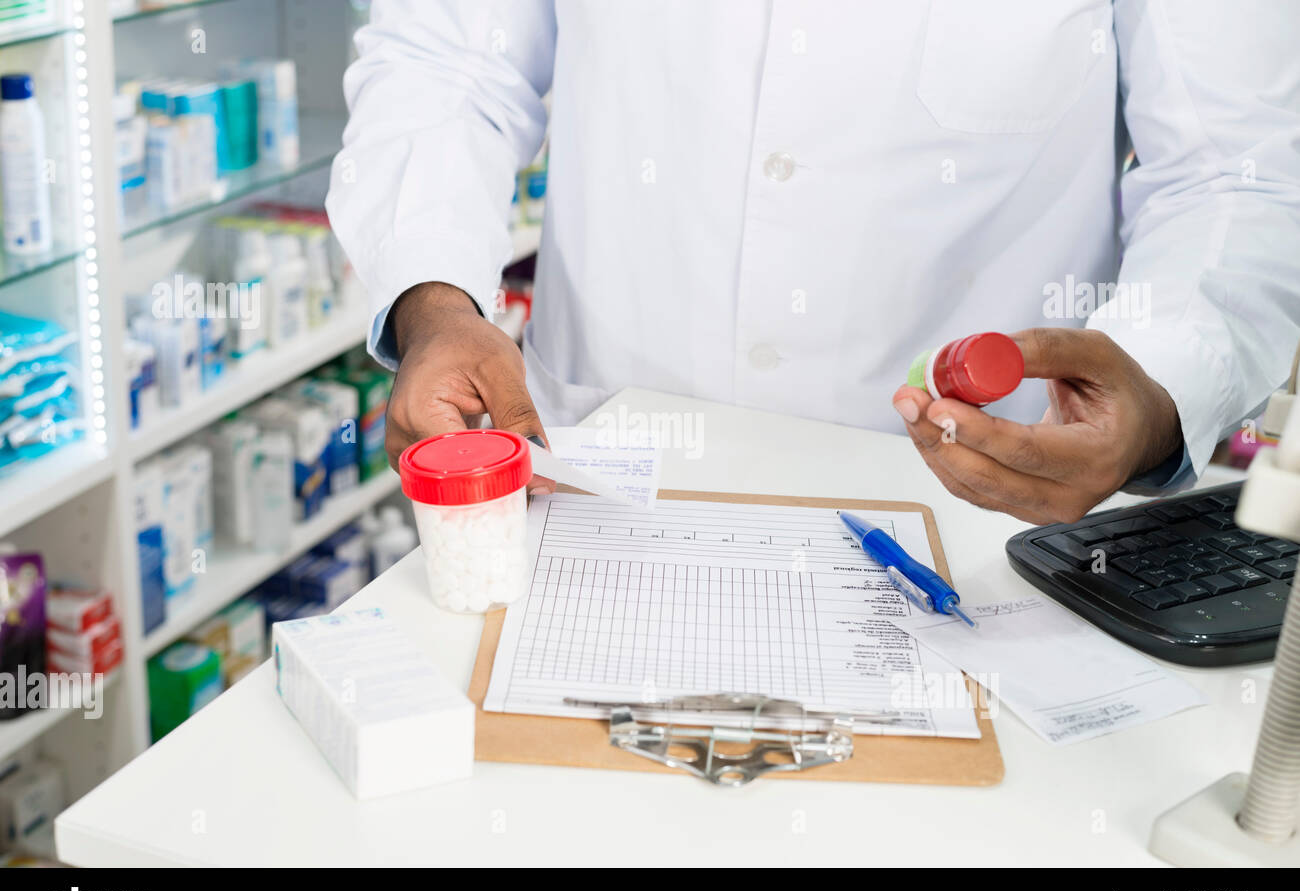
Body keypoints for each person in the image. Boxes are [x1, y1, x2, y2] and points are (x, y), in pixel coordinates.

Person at [326, 1, 1300, 524]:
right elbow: (446, 62)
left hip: (974, 510)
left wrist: (1157, 394)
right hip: (598, 483)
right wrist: (433, 300)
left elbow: (1235, 173)